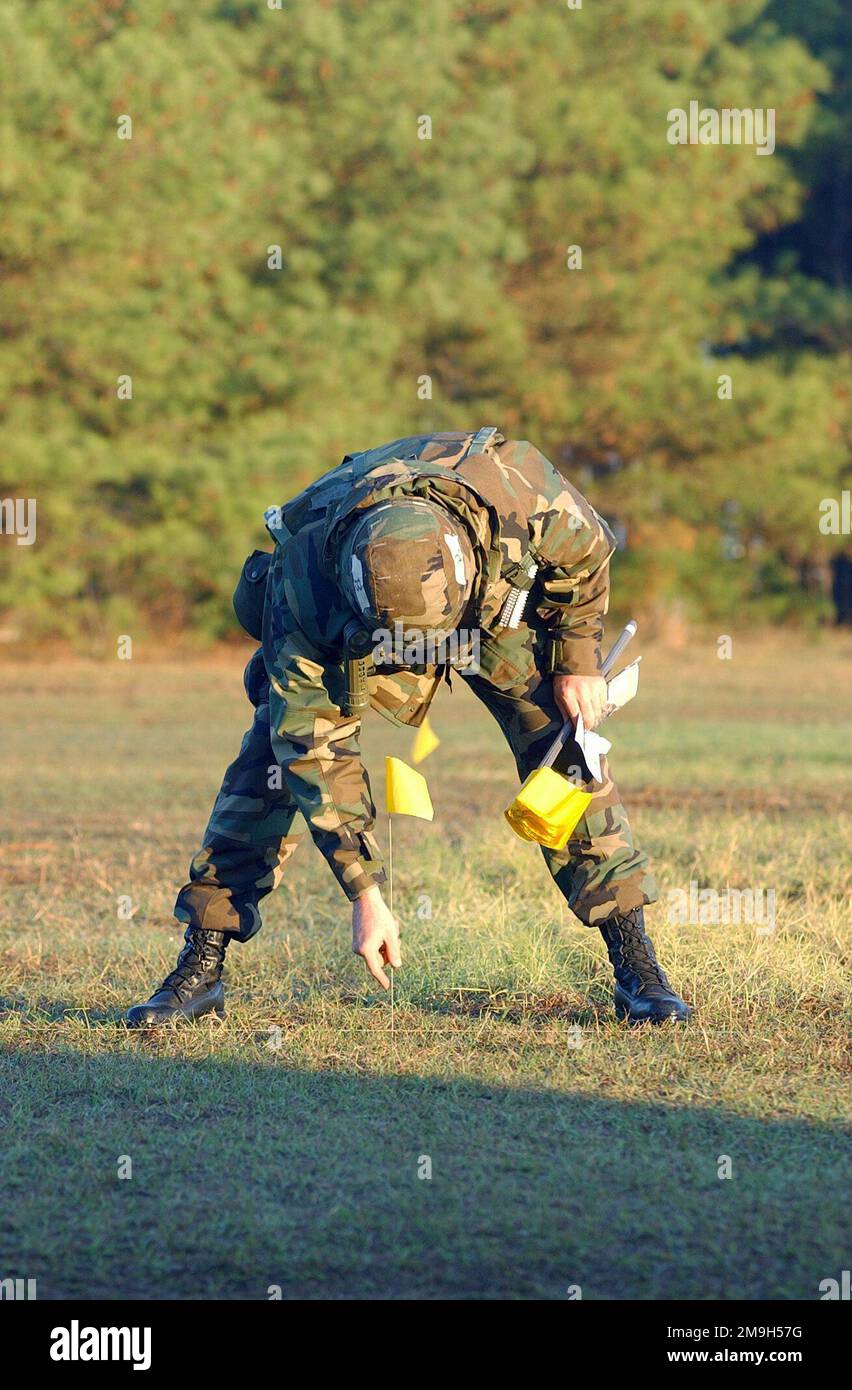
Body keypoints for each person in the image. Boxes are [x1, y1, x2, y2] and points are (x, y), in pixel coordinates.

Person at [127, 427, 690, 1028]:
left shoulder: (518, 490)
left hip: (494, 617)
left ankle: (638, 969)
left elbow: (589, 554)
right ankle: (201, 966)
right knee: (271, 759)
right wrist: (364, 894)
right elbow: (315, 750)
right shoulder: (305, 584)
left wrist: (577, 659)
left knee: (569, 752)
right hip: (356, 633)